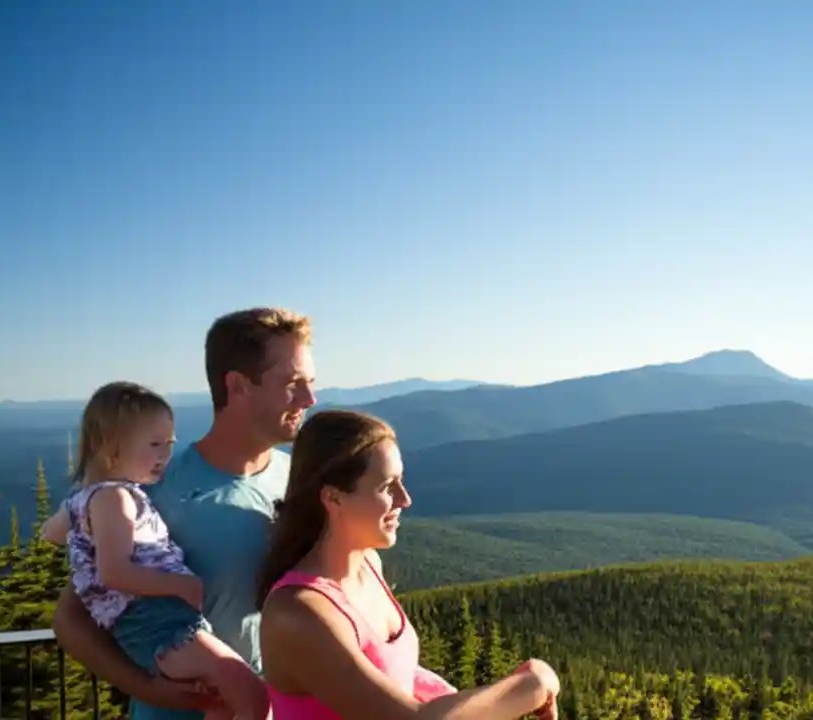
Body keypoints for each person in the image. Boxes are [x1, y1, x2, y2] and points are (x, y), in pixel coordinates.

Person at [51, 307, 318, 720]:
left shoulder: (300, 477)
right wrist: (149, 690)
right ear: (238, 386)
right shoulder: (146, 488)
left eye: (310, 384)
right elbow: (71, 618)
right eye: (292, 383)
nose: (309, 399)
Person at [256, 409, 561, 720]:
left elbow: (397, 675)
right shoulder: (297, 613)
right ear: (333, 498)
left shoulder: (368, 565)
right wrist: (531, 685)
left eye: (400, 482)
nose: (405, 499)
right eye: (387, 486)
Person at [41, 381, 268, 720]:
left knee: (220, 701)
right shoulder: (115, 498)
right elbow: (114, 572)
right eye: (154, 444)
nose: (165, 455)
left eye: (169, 444)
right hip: (157, 618)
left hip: (153, 619)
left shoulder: (87, 498)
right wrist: (181, 585)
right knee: (249, 692)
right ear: (110, 446)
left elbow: (51, 533)